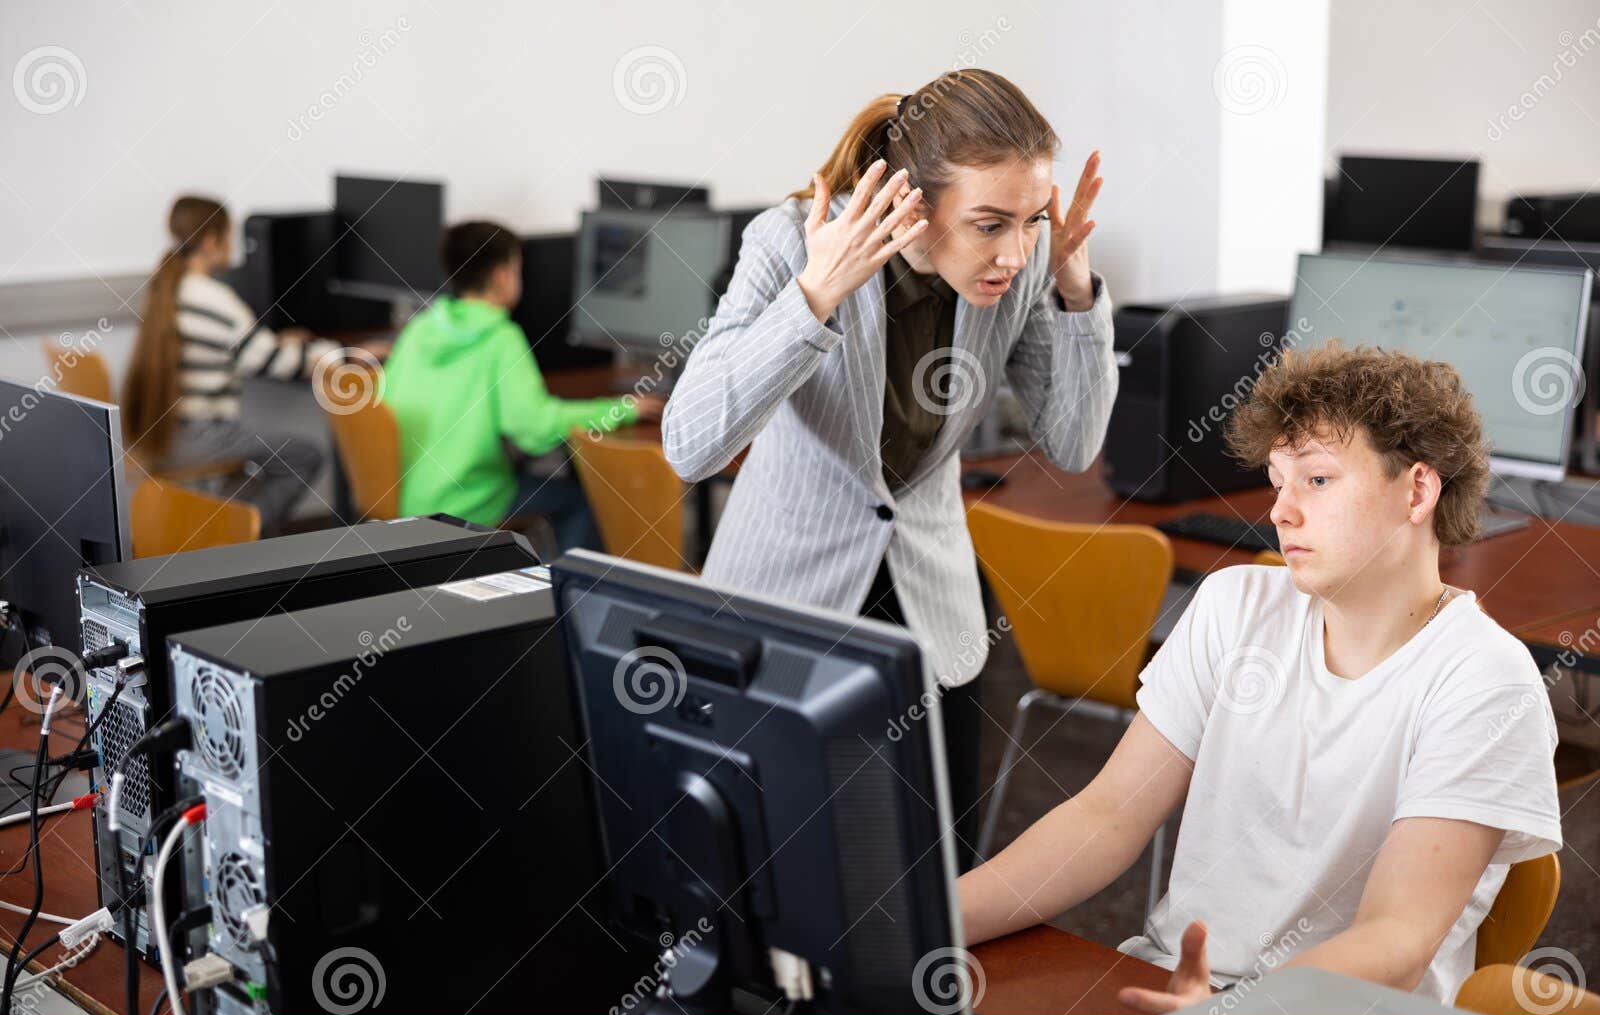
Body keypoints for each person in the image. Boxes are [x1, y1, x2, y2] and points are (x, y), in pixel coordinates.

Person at [959, 342, 1564, 1010]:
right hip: (1177, 993)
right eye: (1278, 481)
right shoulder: (1234, 606)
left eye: (1318, 479)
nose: (1281, 510)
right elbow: (1106, 818)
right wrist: (929, 922)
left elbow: (1397, 939)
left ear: (1417, 489)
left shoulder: (1484, 680)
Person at [661, 70, 1119, 869]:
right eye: (989, 224)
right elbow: (690, 443)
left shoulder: (1020, 268)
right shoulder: (790, 239)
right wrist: (816, 294)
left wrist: (1076, 291)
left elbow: (1074, 442)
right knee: (776, 871)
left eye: (1032, 220)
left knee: (928, 872)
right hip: (787, 602)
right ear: (911, 201)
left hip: (929, 609)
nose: (1015, 251)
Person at [382, 220, 663, 548]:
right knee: (582, 503)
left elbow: (382, 398)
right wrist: (622, 409)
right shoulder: (502, 339)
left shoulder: (421, 327)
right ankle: (568, 598)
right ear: (503, 276)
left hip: (409, 496)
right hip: (466, 501)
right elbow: (535, 428)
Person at [123, 195, 364, 532]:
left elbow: (250, 348)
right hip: (199, 437)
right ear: (211, 241)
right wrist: (335, 353)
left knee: (264, 463)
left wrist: (277, 343)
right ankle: (234, 535)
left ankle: (227, 528)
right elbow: (274, 363)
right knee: (305, 455)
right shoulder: (214, 298)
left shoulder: (168, 288)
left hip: (162, 435)